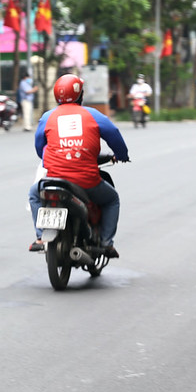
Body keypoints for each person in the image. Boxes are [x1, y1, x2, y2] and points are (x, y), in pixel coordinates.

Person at [28, 74, 130, 257]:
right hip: (86, 181)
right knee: (111, 199)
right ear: (80, 95)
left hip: (53, 180)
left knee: (34, 194)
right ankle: (107, 243)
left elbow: (39, 146)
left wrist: (48, 157)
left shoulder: (47, 117)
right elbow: (114, 134)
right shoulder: (93, 114)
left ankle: (40, 237)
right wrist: (122, 155)